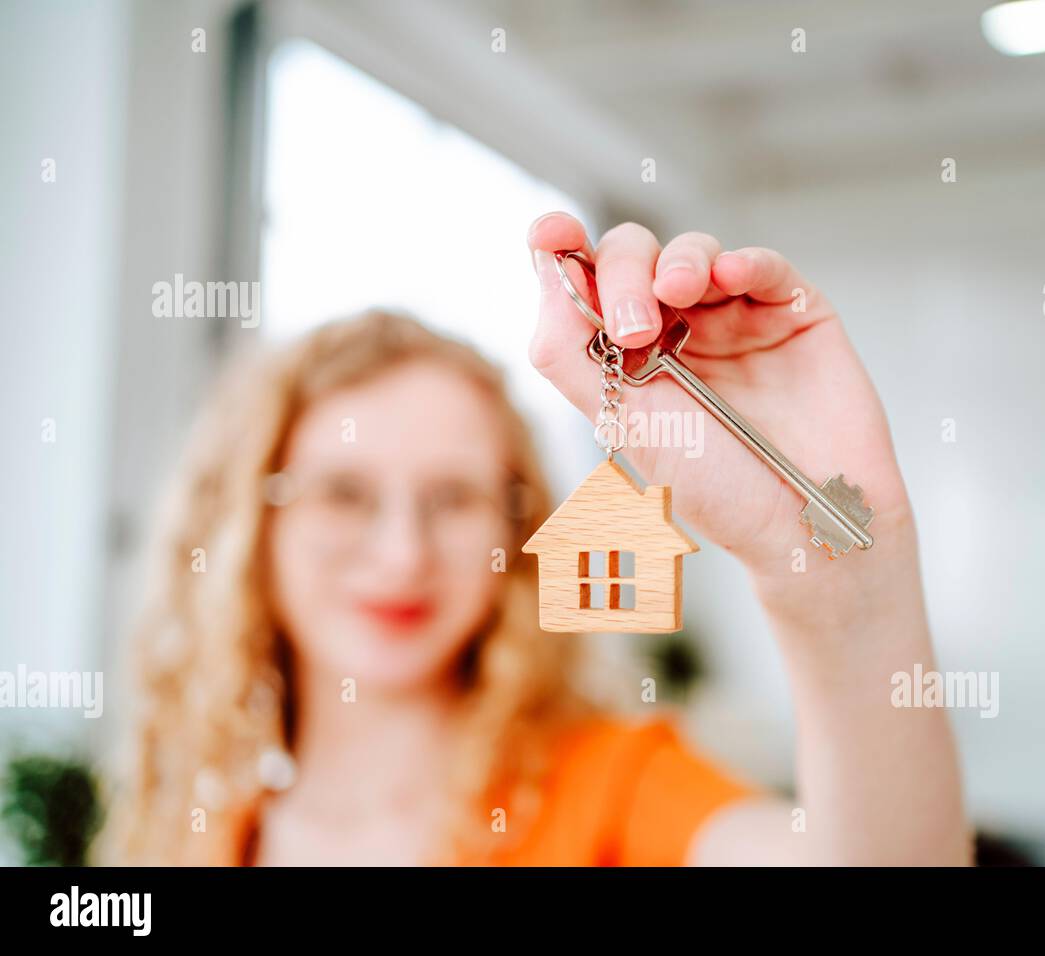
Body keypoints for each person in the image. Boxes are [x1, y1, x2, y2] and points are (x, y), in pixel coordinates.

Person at [102, 213, 972, 866]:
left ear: (515, 533)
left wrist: (837, 568)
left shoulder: (619, 790)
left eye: (453, 499)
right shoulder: (195, 828)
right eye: (343, 493)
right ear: (253, 522)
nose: (403, 554)